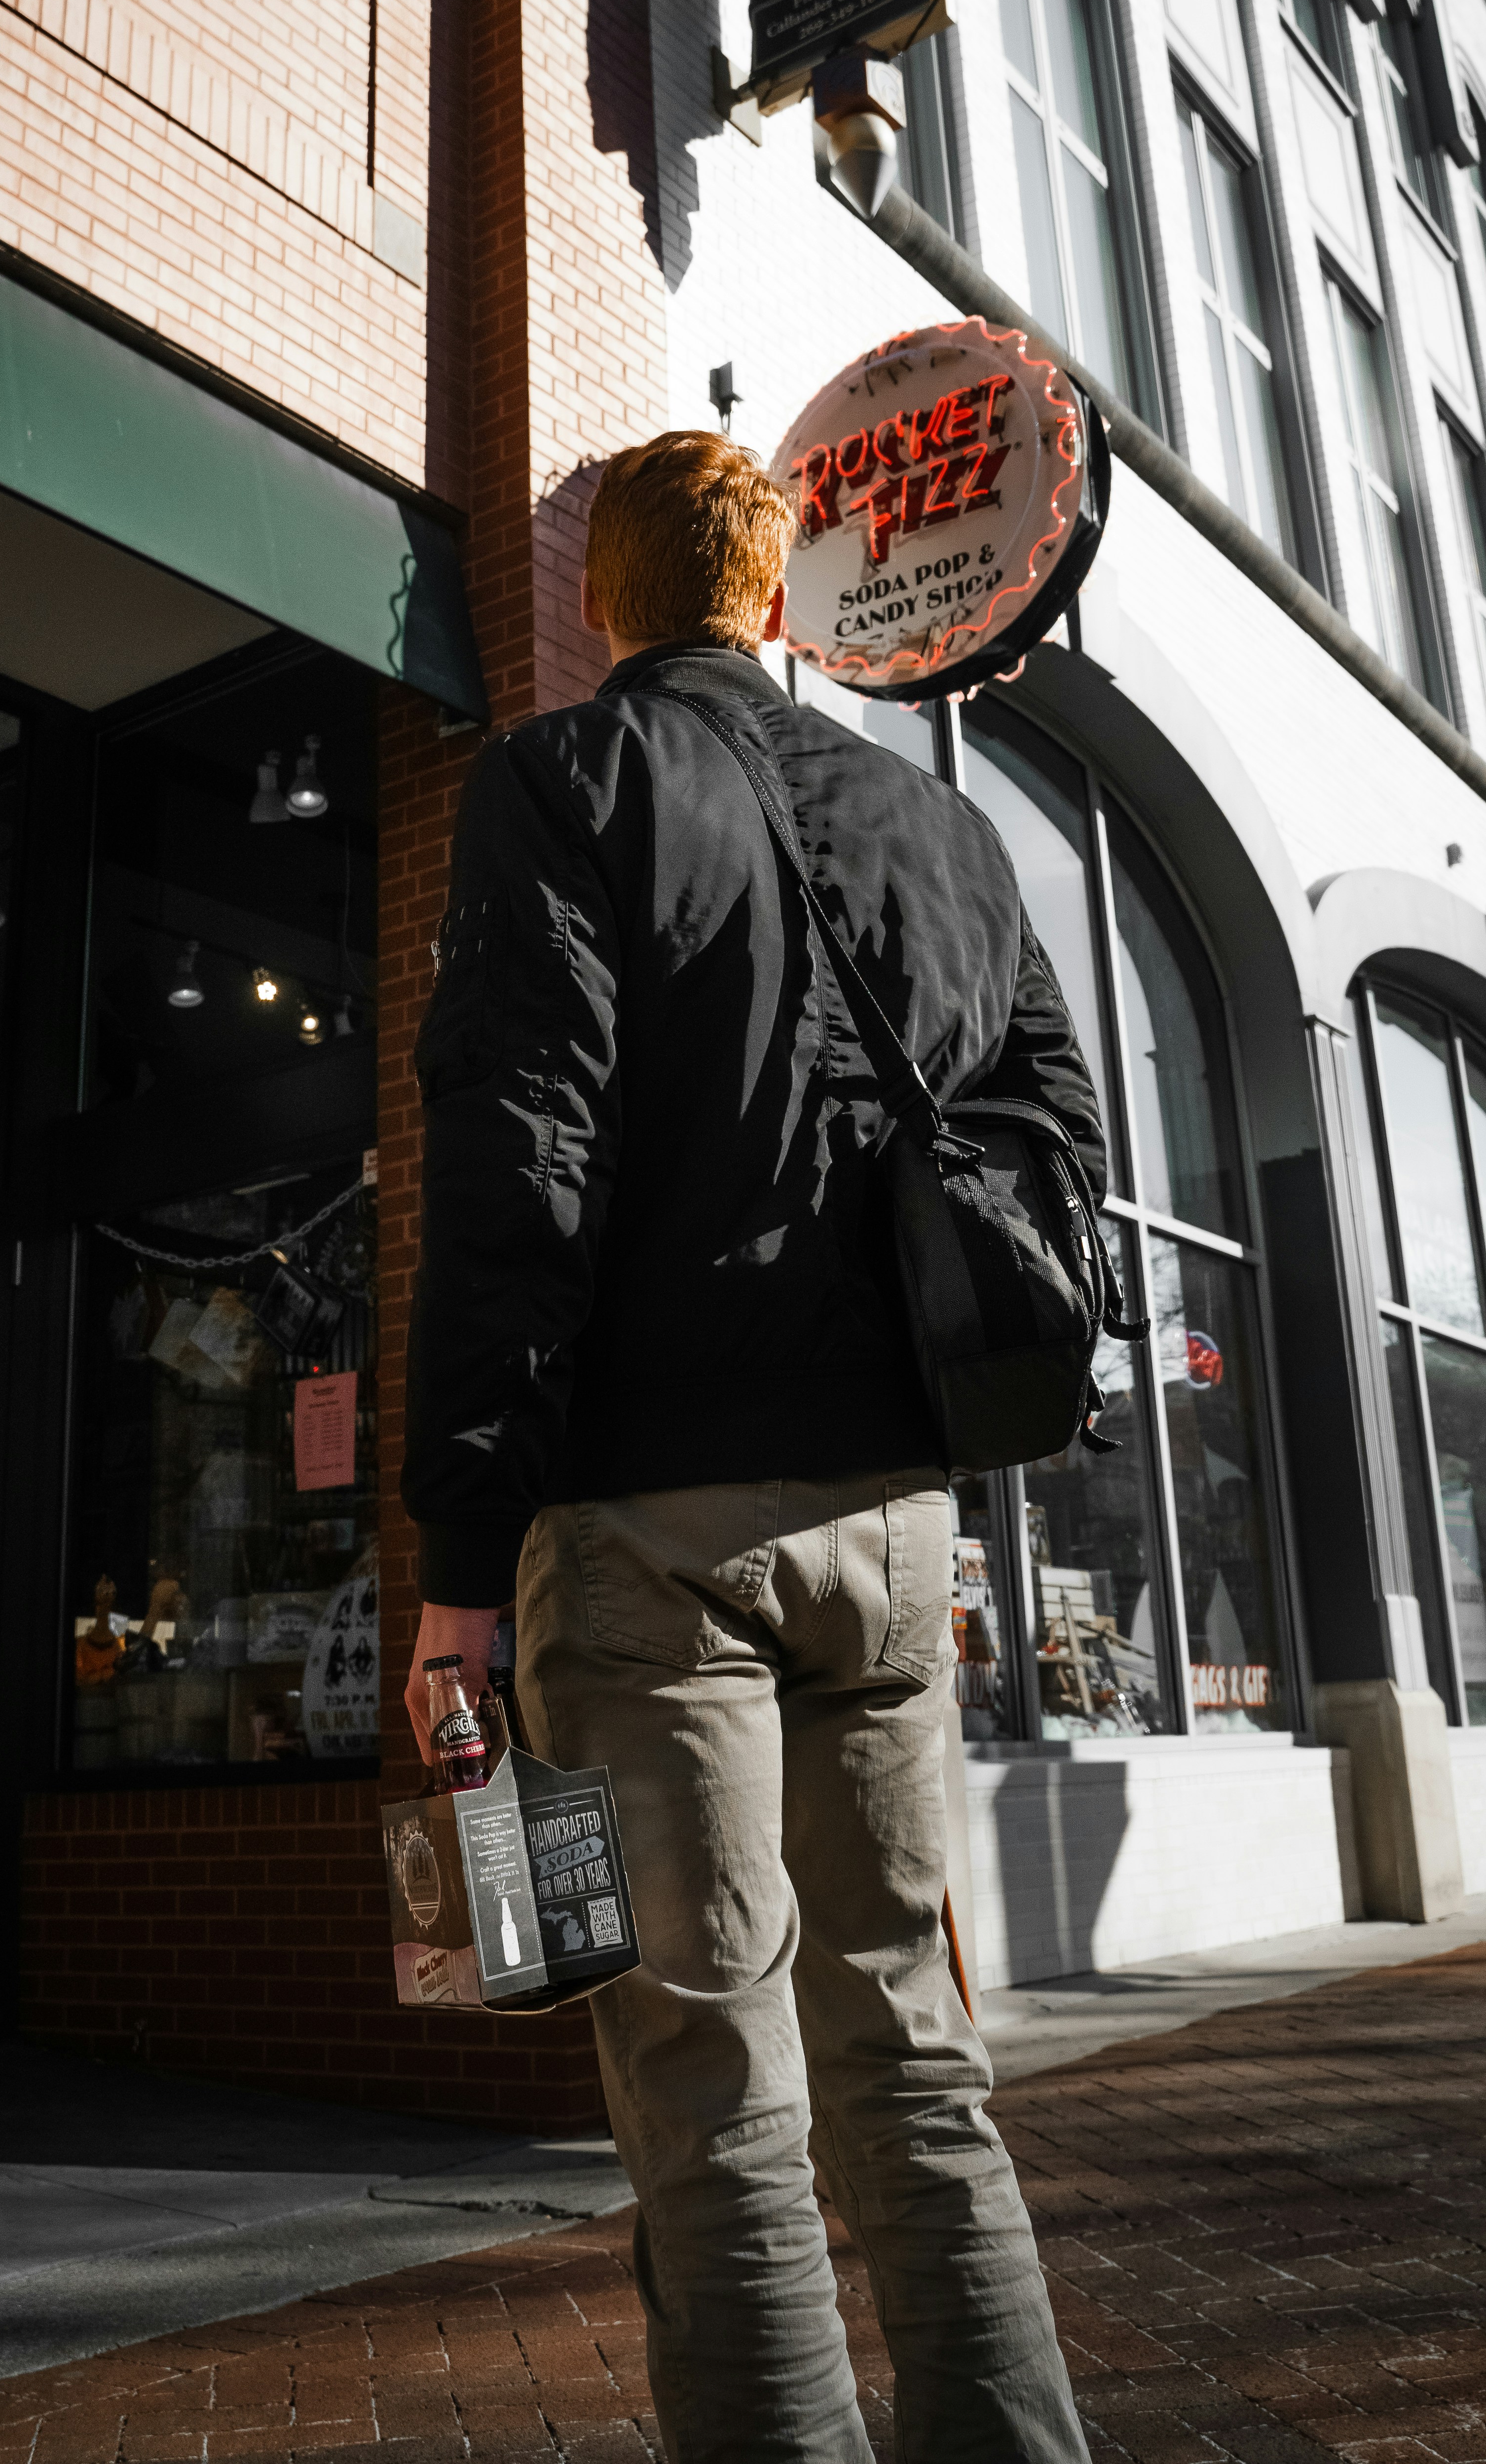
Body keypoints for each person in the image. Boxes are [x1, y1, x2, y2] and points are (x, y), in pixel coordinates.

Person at [401, 429, 1105, 2464]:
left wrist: (464, 1560)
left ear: (606, 604)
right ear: (781, 601)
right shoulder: (941, 829)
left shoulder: (564, 783)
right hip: (892, 1526)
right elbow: (1057, 1143)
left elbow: (516, 1164)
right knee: (909, 2048)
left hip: (645, 1527)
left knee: (716, 2094)